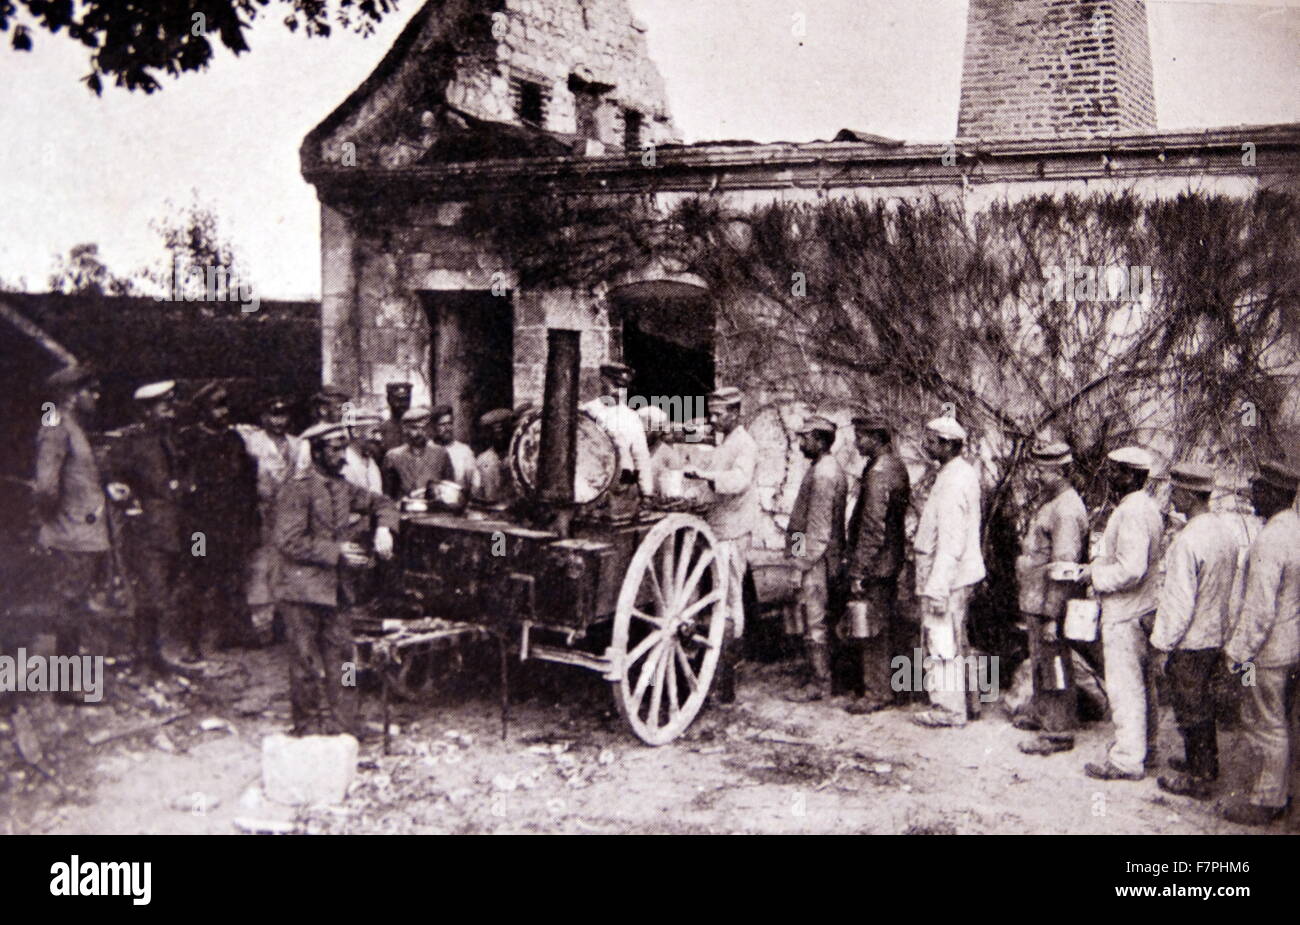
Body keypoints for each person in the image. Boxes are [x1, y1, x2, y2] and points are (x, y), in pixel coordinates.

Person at [274, 422, 398, 736]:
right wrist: (336, 552)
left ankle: (346, 723)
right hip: (301, 590)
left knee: (345, 662)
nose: (342, 455)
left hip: (336, 590)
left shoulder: (341, 485)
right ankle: (308, 726)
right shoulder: (297, 488)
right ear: (315, 451)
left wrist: (384, 528)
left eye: (344, 447)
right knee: (305, 663)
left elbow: (383, 503)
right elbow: (288, 541)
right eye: (334, 449)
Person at [1149, 462, 1237, 799]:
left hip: (1191, 639)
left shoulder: (1188, 541)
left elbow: (1178, 604)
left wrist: (1162, 643)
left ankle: (1200, 777)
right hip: (1214, 634)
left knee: (1190, 707)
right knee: (1203, 704)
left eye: (1175, 491)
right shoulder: (1223, 532)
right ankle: (1202, 764)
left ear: (1187, 493)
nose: (1172, 497)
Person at [1222, 461, 1300, 826]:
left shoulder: (1270, 540)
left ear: (1277, 494)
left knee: (1262, 721)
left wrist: (1238, 654)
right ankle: (1277, 792)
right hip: (1288, 648)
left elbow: (1259, 610)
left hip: (1263, 655)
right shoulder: (1294, 531)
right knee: (1279, 719)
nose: (1253, 496)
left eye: (1259, 489)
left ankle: (1266, 800)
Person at [1079, 446, 1164, 781]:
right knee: (1144, 686)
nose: (1110, 477)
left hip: (1125, 613)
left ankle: (1127, 759)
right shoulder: (1147, 508)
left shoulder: (1131, 512)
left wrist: (1095, 576)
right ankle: (1148, 748)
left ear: (1132, 475)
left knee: (1125, 687)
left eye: (1116, 471)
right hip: (1141, 609)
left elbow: (1131, 568)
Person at [33, 365, 112, 701]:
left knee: (77, 607)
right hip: (70, 534)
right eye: (89, 391)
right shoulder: (56, 427)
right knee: (70, 607)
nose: (96, 397)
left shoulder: (74, 428)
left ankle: (70, 683)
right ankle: (64, 688)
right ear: (71, 395)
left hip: (83, 533)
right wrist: (54, 523)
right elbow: (46, 486)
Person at [106, 381, 191, 674]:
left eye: (170, 402)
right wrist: (126, 501)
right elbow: (114, 478)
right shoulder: (131, 440)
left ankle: (154, 655)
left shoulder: (172, 437)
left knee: (163, 590)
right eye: (161, 404)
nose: (169, 408)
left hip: (173, 527)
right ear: (145, 409)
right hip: (146, 529)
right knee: (149, 593)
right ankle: (143, 656)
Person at [684, 387, 758, 704]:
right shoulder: (725, 441)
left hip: (732, 531)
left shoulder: (745, 445)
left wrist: (704, 474)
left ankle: (727, 669)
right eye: (711, 413)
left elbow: (737, 481)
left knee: (729, 599)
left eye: (720, 414)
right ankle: (717, 663)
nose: (714, 419)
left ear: (735, 413)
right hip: (718, 527)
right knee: (719, 596)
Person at [1013, 441, 1088, 753]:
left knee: (1054, 661)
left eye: (1043, 471)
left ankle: (1057, 731)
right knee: (1043, 660)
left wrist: (1052, 616)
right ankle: (1045, 714)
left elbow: (1064, 567)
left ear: (1060, 472)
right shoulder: (1054, 502)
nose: (1037, 476)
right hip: (1036, 600)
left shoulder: (1067, 509)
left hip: (1049, 604)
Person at [177, 382, 260, 657]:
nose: (223, 412)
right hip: (199, 527)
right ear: (203, 410)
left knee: (232, 576)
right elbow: (180, 484)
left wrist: (249, 522)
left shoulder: (234, 440)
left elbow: (247, 484)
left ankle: (232, 634)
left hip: (230, 524)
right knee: (198, 580)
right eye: (217, 406)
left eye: (225, 405)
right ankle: (192, 642)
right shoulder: (189, 440)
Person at [912, 416, 985, 728]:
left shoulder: (955, 480)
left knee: (942, 642)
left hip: (948, 577)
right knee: (956, 639)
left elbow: (951, 542)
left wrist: (937, 588)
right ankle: (969, 703)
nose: (927, 446)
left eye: (932, 441)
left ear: (947, 444)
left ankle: (948, 709)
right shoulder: (958, 473)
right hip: (958, 574)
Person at [842, 415, 911, 716]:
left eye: (860, 436)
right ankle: (891, 688)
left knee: (872, 630)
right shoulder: (893, 464)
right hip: (888, 560)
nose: (856, 442)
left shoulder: (880, 472)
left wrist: (859, 569)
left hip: (877, 564)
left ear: (876, 437)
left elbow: (873, 526)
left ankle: (877, 692)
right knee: (882, 627)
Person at [784, 415, 847, 703]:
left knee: (815, 621)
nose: (800, 442)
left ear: (820, 441)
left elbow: (819, 532)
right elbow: (800, 521)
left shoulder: (824, 474)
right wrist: (794, 557)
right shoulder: (819, 468)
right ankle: (818, 677)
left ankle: (821, 684)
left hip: (817, 561)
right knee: (810, 619)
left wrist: (800, 566)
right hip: (812, 557)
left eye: (805, 438)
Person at [236, 395, 301, 644]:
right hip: (261, 514)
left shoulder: (297, 444)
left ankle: (283, 624)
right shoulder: (251, 443)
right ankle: (260, 627)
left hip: (290, 515)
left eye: (283, 415)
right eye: (273, 415)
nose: (278, 421)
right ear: (263, 417)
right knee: (260, 568)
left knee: (288, 567)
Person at [583, 363, 654, 520]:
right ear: (602, 380)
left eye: (623, 387)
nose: (619, 392)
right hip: (590, 488)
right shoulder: (586, 412)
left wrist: (646, 493)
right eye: (614, 385)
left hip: (620, 490)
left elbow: (640, 456)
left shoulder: (631, 417)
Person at [382, 406, 454, 498]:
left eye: (424, 428)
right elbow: (387, 496)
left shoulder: (441, 454)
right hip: (405, 510)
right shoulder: (393, 457)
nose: (420, 433)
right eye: (414, 428)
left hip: (434, 509)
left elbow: (449, 489)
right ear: (405, 430)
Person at [295, 385, 350, 472]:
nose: (344, 413)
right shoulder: (309, 439)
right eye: (339, 409)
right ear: (323, 410)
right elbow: (303, 471)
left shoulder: (343, 430)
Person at [432, 405, 480, 498]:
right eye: (442, 424)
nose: (447, 428)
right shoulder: (429, 450)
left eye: (449, 423)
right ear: (435, 427)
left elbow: (475, 484)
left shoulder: (464, 451)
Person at [473, 408, 515, 507]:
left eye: (503, 432)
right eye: (495, 433)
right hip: (491, 511)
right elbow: (476, 492)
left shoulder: (517, 456)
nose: (499, 437)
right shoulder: (483, 460)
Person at [341, 412, 386, 496]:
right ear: (355, 432)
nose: (379, 438)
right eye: (374, 432)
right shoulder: (343, 463)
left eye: (379, 433)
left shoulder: (370, 461)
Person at [378, 381, 412, 454]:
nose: (403, 405)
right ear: (389, 400)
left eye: (406, 400)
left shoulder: (417, 427)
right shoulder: (383, 429)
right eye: (398, 401)